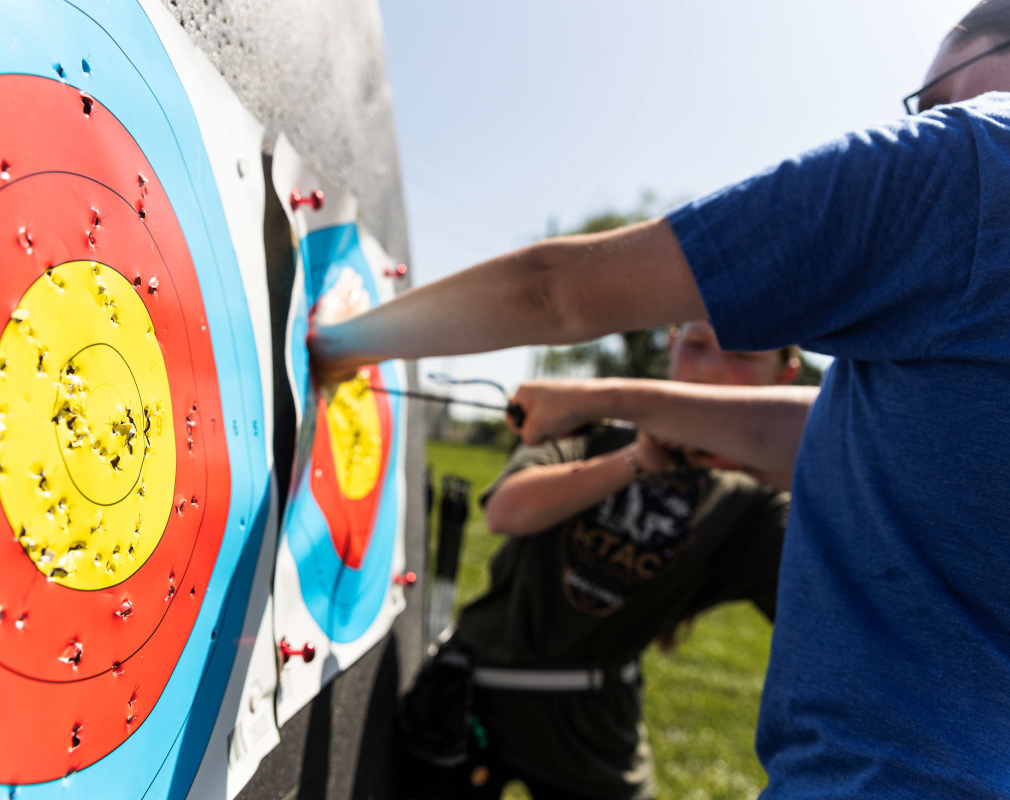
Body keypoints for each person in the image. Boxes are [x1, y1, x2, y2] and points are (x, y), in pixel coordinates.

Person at [316, 3, 1010, 796]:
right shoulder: (618, 430)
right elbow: (854, 442)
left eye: (936, 101)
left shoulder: (972, 163)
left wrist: (343, 342)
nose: (931, 122)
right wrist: (617, 412)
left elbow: (555, 293)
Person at [396, 323, 807, 800]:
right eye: (696, 346)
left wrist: (756, 459)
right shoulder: (595, 426)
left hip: (593, 720)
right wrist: (638, 458)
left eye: (742, 354)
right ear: (672, 343)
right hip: (475, 692)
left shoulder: (757, 504)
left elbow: (831, 600)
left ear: (785, 376)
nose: (711, 368)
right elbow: (506, 511)